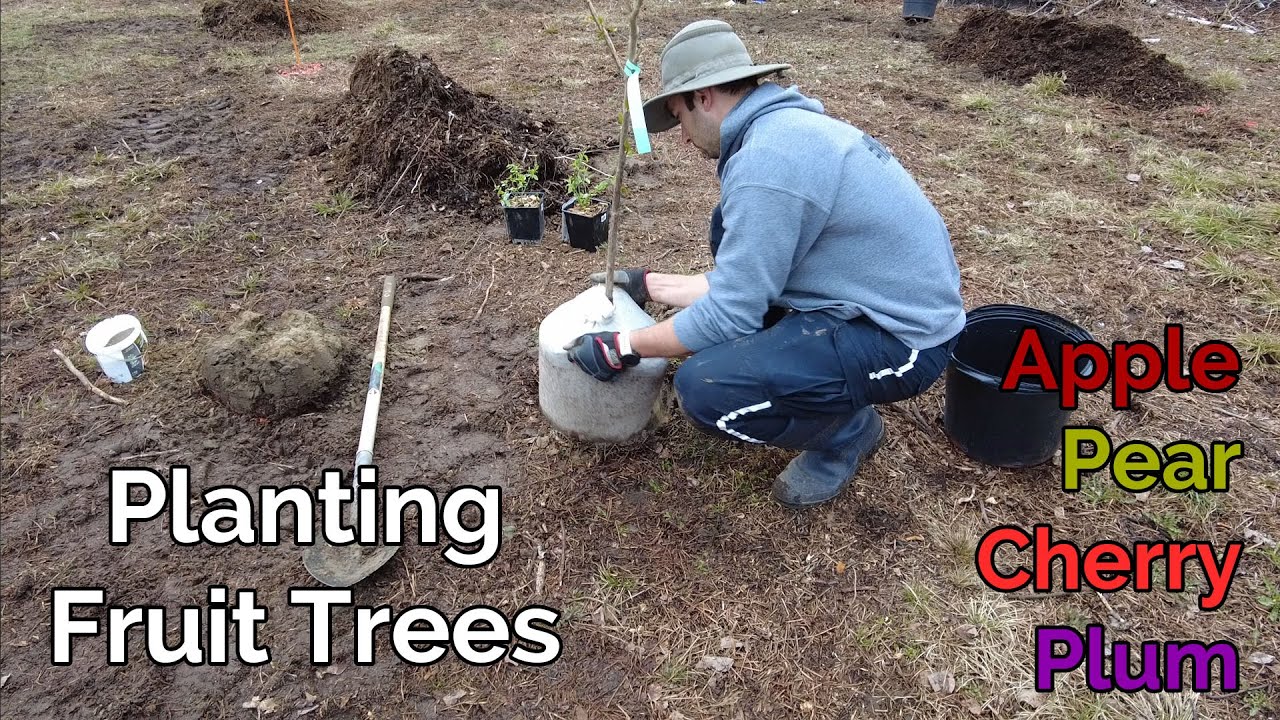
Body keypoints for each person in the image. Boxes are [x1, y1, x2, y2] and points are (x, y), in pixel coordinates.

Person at [564, 19, 966, 508]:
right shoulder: (784, 129)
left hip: (904, 340)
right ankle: (822, 380)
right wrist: (649, 283)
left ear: (704, 97)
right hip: (859, 299)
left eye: (679, 116)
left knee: (706, 391)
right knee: (728, 278)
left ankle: (847, 434)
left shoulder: (769, 163)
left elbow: (732, 311)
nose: (684, 139)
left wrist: (623, 346)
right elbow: (749, 281)